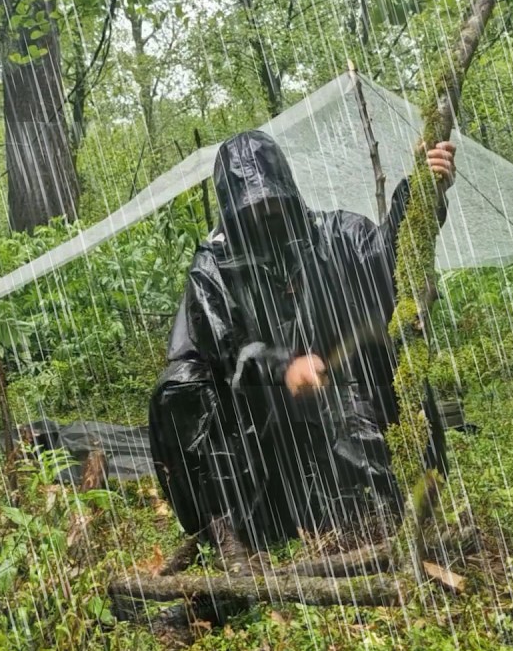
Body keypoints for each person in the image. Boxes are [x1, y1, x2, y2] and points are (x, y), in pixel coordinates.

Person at [148, 130, 456, 574]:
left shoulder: (334, 236)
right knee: (179, 387)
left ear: (288, 193)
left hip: (341, 406)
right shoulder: (214, 268)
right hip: (261, 431)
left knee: (384, 366)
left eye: (272, 203)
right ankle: (225, 526)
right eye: (252, 209)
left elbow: (387, 257)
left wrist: (421, 191)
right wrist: (280, 368)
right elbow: (222, 344)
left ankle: (386, 505)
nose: (265, 217)